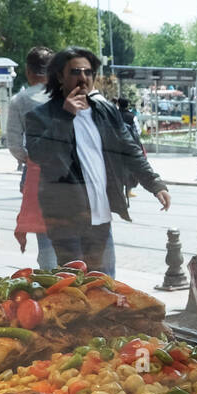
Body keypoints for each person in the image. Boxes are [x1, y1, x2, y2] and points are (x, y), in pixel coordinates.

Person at [24, 47, 170, 275]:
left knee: (104, 283)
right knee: (74, 285)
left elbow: (129, 150)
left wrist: (155, 184)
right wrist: (65, 116)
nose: (83, 77)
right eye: (75, 72)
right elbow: (40, 154)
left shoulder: (106, 111)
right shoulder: (40, 116)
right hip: (65, 221)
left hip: (100, 217)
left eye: (88, 72)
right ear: (60, 76)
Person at [8, 47, 57, 269]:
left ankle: (51, 275)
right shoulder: (67, 96)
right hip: (71, 175)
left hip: (38, 173)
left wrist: (29, 160)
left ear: (28, 71)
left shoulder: (20, 100)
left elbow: (14, 144)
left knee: (45, 234)